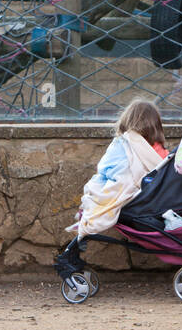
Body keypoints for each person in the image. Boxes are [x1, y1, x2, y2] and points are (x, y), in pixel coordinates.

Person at [69, 99, 168, 238]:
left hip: (128, 199)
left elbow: (106, 169)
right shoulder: (162, 152)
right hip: (148, 201)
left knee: (97, 186)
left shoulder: (122, 144)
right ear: (157, 125)